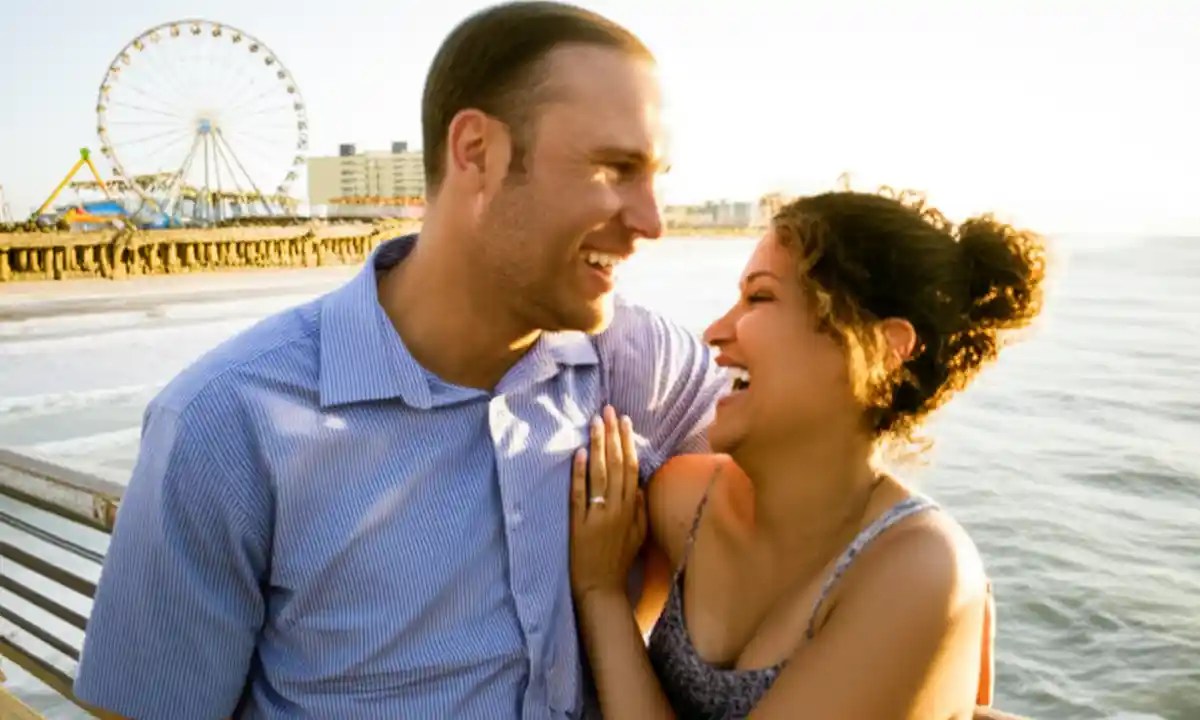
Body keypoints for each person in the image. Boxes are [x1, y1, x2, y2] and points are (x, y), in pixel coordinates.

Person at [73, 3, 727, 718]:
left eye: (656, 175)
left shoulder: (640, 369)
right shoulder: (230, 423)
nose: (653, 222)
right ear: (477, 151)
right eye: (614, 168)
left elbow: (827, 494)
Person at [569, 189, 1048, 719]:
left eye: (761, 298)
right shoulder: (682, 502)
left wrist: (602, 597)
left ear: (880, 349)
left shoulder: (916, 570)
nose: (715, 331)